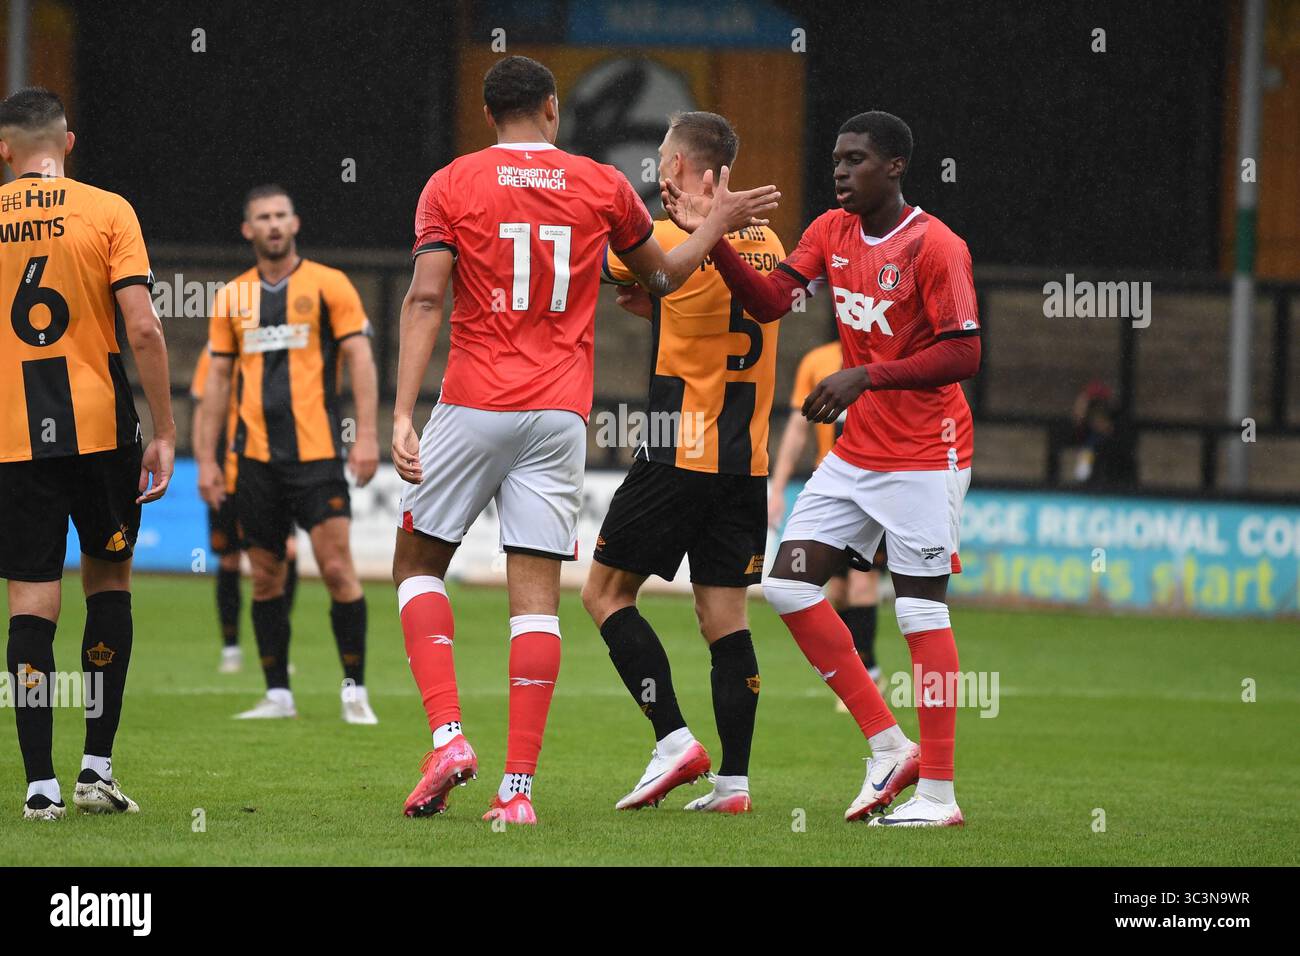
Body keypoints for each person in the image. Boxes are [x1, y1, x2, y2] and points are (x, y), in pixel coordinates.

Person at [391, 56, 779, 825]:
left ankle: (447, 738)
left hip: (475, 399)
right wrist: (715, 225)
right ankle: (518, 792)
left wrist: (402, 412)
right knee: (535, 601)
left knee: (416, 564)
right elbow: (665, 281)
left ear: (489, 112)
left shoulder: (450, 183)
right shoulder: (600, 184)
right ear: (551, 107)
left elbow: (426, 296)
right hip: (560, 415)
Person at [664, 110, 980, 827]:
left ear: (895, 166)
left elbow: (965, 354)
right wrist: (708, 238)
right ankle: (888, 745)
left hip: (929, 450)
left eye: (857, 159)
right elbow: (773, 300)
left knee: (920, 609)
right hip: (860, 450)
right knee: (786, 585)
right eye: (836, 158)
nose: (840, 171)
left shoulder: (936, 246)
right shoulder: (830, 232)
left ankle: (939, 795)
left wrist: (866, 377)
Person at [583, 111, 784, 814]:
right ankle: (734, 785)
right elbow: (681, 300)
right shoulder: (766, 239)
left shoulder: (668, 234)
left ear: (693, 170)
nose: (656, 168)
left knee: (604, 595)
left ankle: (672, 740)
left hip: (680, 446)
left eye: (664, 157)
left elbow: (619, 271)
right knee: (725, 620)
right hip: (745, 460)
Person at [0, 87, 175, 819]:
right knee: (109, 586)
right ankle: (95, 770)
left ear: (4, 151)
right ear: (67, 144)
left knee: (32, 601)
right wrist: (163, 429)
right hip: (101, 430)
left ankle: (39, 787)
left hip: (14, 436)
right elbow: (143, 328)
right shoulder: (108, 210)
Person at [196, 185, 380, 725]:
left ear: (295, 223)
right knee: (267, 578)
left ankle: (354, 690)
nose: (273, 225)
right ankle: (278, 693)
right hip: (252, 461)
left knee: (338, 568)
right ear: (248, 230)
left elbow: (362, 362)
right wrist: (207, 460)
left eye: (281, 215)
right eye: (262, 218)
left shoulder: (330, 285)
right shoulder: (232, 297)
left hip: (318, 456)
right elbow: (218, 381)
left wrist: (366, 435)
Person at [769, 334, 885, 701]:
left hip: (875, 485)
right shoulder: (816, 360)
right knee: (834, 590)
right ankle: (849, 669)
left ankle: (869, 670)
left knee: (862, 581)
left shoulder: (884, 359)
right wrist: (778, 486)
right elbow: (799, 427)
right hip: (832, 489)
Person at [189, 345, 299, 674]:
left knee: (286, 554)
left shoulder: (277, 344)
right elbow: (202, 411)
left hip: (272, 469)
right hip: (227, 472)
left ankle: (278, 644)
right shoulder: (213, 353)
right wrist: (205, 463)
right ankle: (231, 647)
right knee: (230, 558)